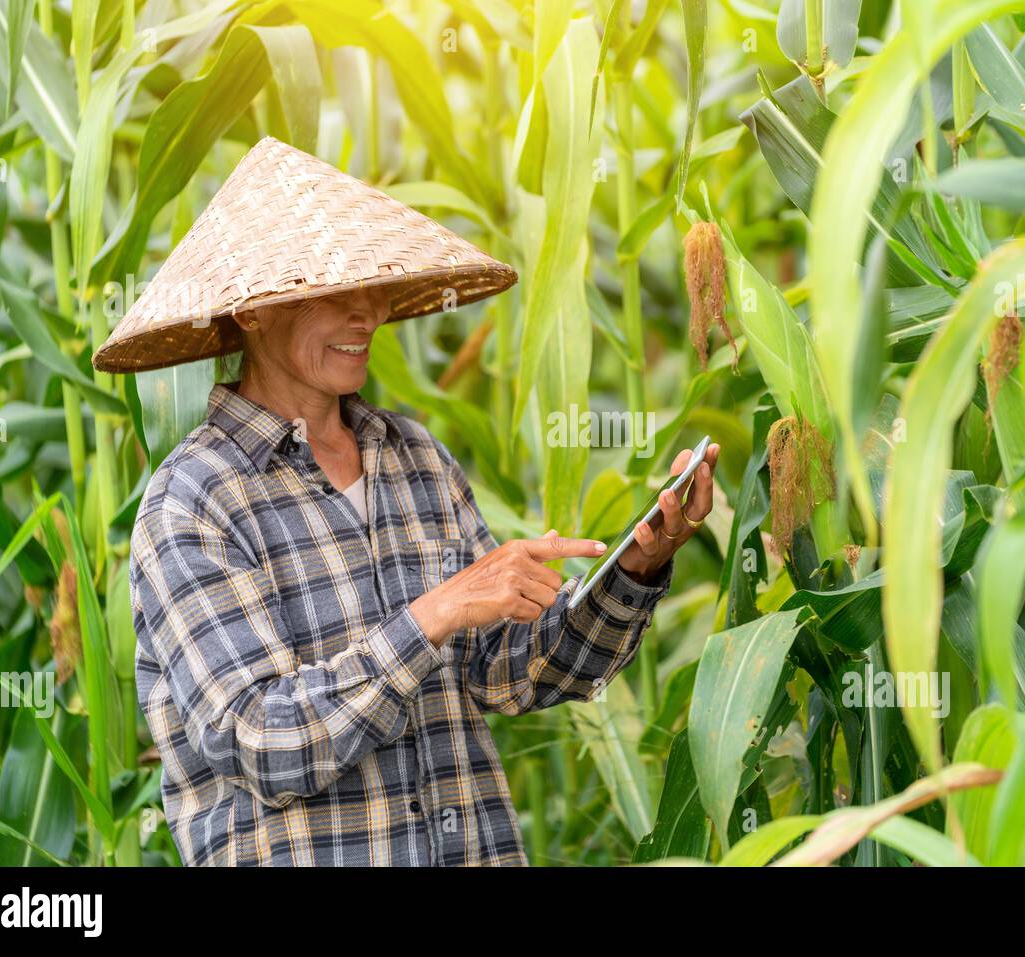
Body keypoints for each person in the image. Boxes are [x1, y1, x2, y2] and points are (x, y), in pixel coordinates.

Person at [93, 137, 718, 865]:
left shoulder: (414, 457)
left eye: (375, 284)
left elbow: (509, 668)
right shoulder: (192, 504)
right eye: (334, 288)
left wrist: (639, 561)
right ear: (254, 311)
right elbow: (264, 742)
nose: (369, 313)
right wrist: (436, 611)